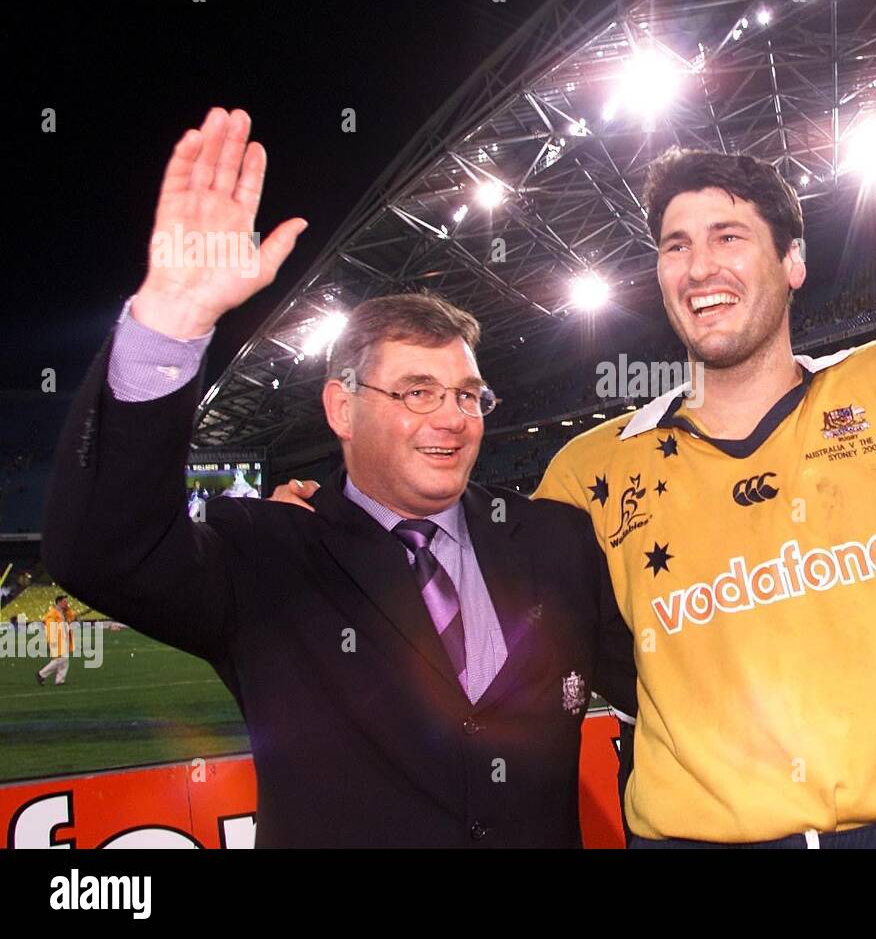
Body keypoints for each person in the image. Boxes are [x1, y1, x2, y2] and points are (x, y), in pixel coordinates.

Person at [284, 0, 876, 848]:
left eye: (729, 236)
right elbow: (459, 597)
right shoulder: (587, 471)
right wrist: (333, 523)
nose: (699, 266)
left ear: (795, 261)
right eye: (674, 245)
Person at [41, 108, 636, 848]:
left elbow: (670, 690)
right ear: (341, 408)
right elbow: (100, 548)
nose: (452, 418)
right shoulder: (268, 552)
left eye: (466, 394)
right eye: (417, 391)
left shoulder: (557, 541)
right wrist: (170, 323)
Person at [35, 595, 75, 686]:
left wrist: (68, 609)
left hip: (64, 638)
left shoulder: (64, 612)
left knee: (65, 660)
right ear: (59, 602)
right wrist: (51, 641)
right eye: (65, 602)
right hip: (57, 639)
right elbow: (50, 628)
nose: (67, 604)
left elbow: (72, 616)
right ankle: (41, 674)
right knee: (61, 659)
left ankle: (59, 680)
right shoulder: (52, 614)